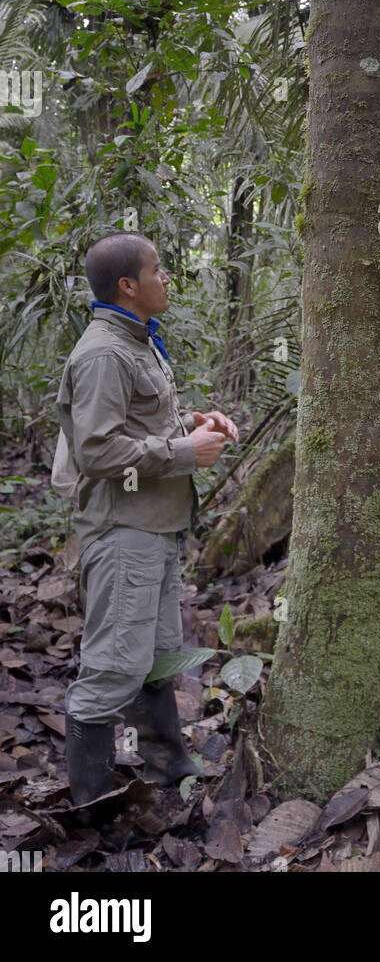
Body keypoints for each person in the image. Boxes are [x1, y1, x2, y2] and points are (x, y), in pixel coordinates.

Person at [56, 232, 239, 805]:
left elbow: (140, 421)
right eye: (157, 270)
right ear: (127, 286)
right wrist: (186, 453)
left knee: (157, 655)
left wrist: (192, 423)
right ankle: (90, 804)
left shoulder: (136, 341)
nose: (167, 279)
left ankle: (167, 764)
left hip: (154, 526)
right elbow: (98, 451)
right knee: (113, 666)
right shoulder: (104, 353)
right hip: (122, 530)